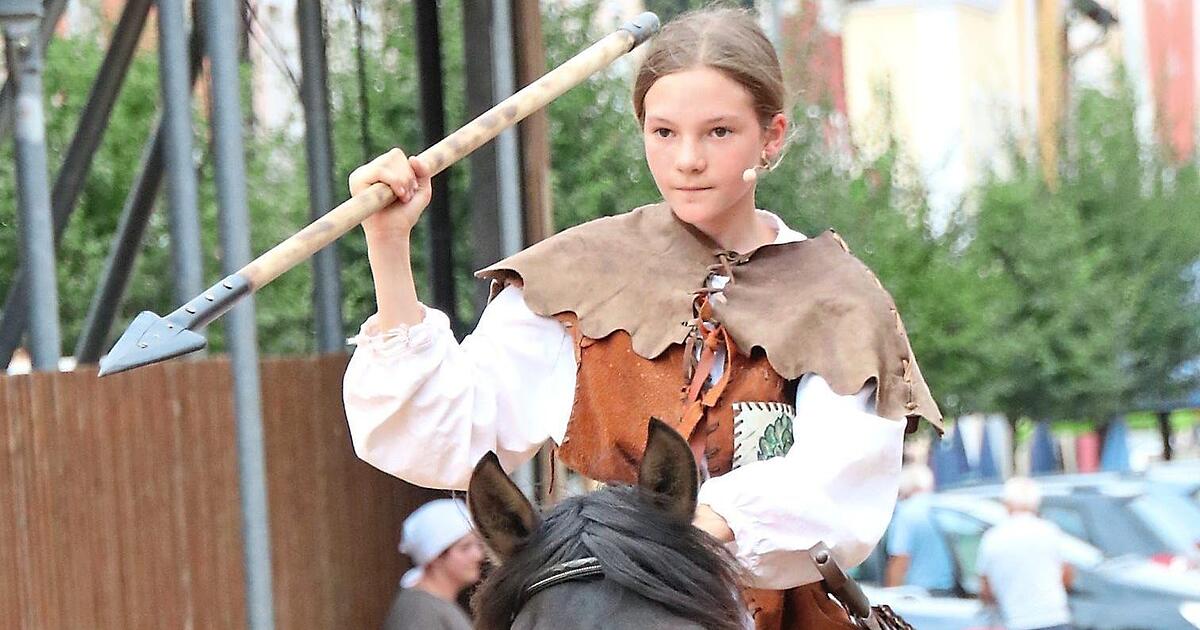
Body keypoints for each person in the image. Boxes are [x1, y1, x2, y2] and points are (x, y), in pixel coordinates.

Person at [343, 8, 941, 629]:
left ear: (772, 136)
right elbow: (449, 433)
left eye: (718, 132)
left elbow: (839, 490)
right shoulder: (580, 273)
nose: (687, 159)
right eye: (663, 132)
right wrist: (388, 246)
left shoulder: (837, 297)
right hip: (597, 602)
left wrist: (676, 538)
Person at [977, 477, 1075, 630]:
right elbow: (1068, 575)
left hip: (1017, 620)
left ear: (1006, 504)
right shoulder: (1049, 531)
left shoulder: (992, 538)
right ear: (1036, 503)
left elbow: (985, 588)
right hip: (1054, 616)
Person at [382, 498, 484, 630]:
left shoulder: (436, 605)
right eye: (465, 548)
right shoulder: (419, 612)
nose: (478, 556)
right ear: (436, 557)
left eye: (477, 546)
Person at [883, 465, 955, 592]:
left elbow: (900, 559)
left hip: (919, 596)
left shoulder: (906, 514)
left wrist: (889, 597)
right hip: (948, 590)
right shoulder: (942, 508)